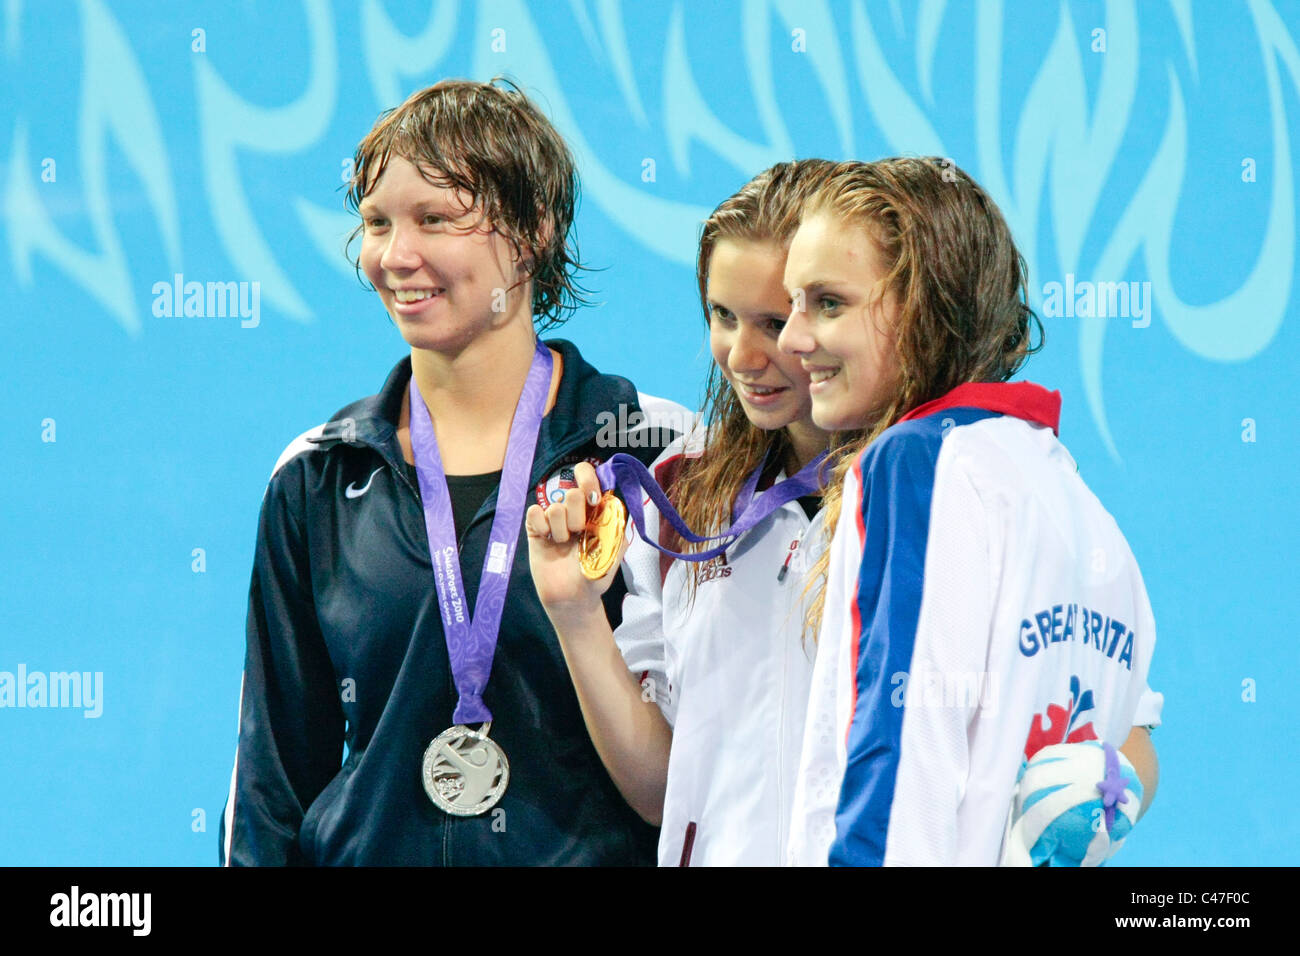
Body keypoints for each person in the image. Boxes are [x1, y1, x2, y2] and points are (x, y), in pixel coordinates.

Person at [218, 78, 684, 866]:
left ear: (533, 232)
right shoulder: (319, 478)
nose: (396, 257)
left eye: (435, 220)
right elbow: (271, 784)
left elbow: (712, 765)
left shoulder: (653, 456)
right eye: (376, 222)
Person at [779, 158, 1162, 866]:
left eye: (828, 303)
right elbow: (1133, 755)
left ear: (926, 304)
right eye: (794, 302)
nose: (791, 339)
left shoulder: (916, 465)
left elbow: (901, 767)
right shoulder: (1080, 508)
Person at [526, 160, 871, 865]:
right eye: (722, 315)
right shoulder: (677, 492)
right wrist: (575, 613)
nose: (741, 355)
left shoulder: (937, 491)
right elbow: (660, 789)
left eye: (775, 322)